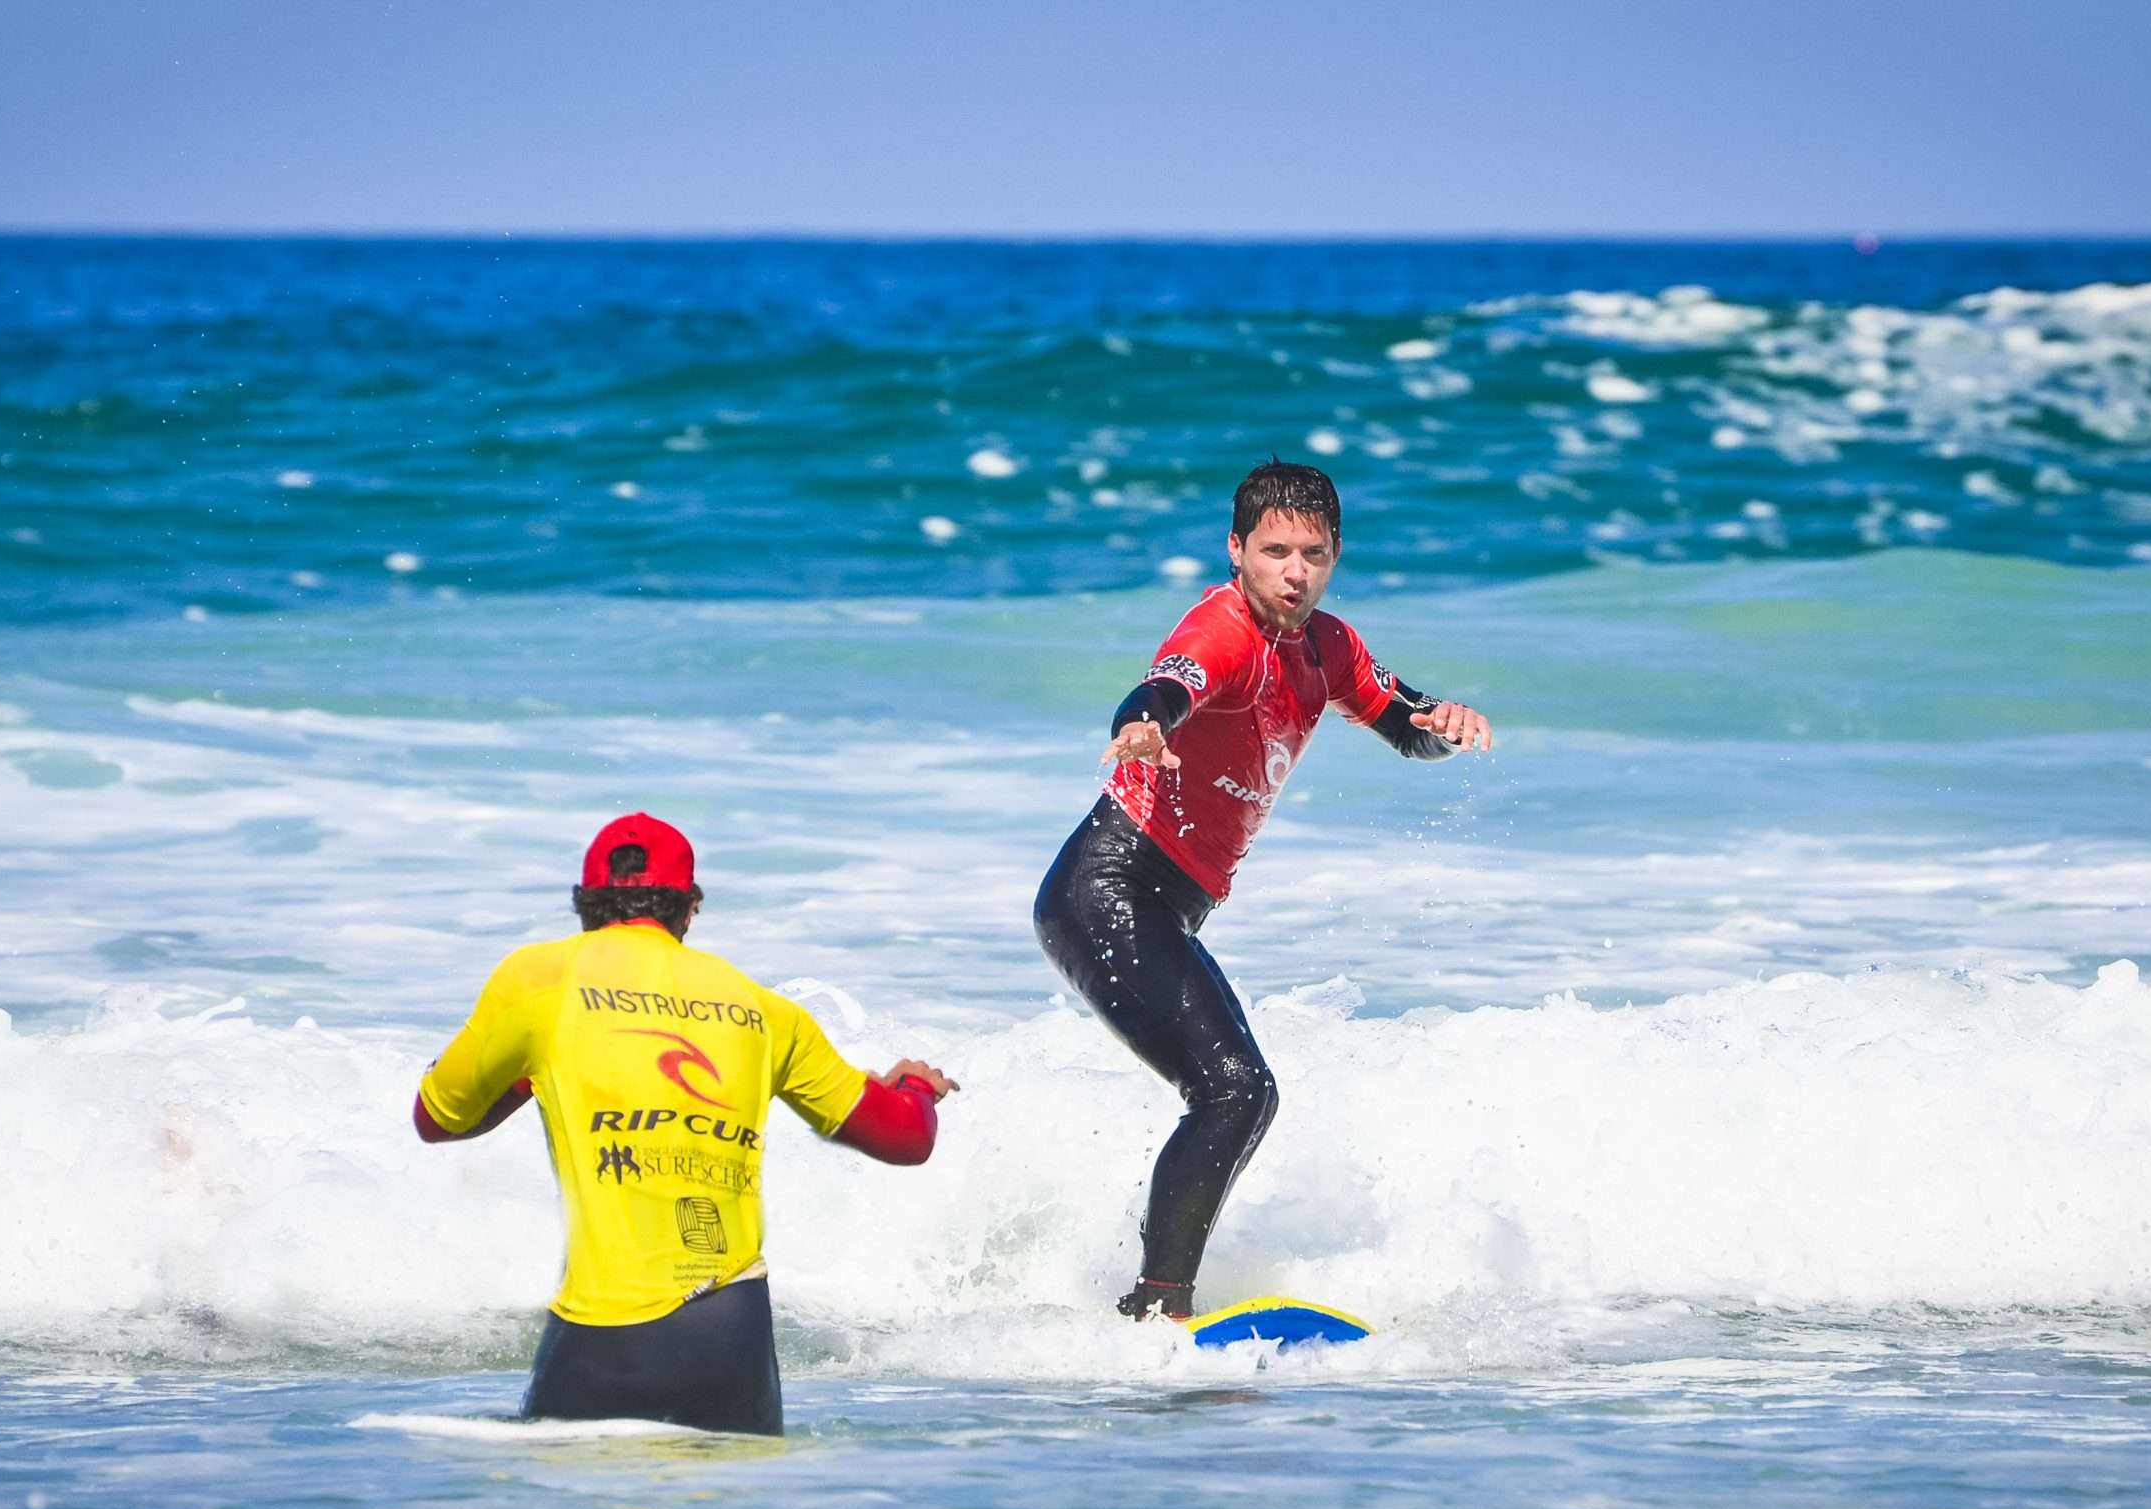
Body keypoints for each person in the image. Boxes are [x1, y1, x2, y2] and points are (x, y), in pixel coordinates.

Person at [1033, 460, 1490, 1322]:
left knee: (1239, 1092)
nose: (1294, 571)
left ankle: (1154, 1302)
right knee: (1236, 1090)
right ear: (1236, 550)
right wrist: (1139, 726)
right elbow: (1168, 685)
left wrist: (1445, 729)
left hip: (1162, 904)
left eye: (1312, 553)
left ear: (1334, 556)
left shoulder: (1331, 647)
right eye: (1274, 550)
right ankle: (1158, 1312)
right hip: (1108, 886)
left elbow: (1404, 723)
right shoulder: (1223, 631)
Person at [413, 812, 956, 1434]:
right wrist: (915, 1087)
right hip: (732, 1339)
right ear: (689, 910)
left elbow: (437, 1117)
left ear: (584, 905)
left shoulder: (536, 980)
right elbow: (903, 1137)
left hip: (605, 1339)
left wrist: (533, 1070)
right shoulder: (762, 1007)